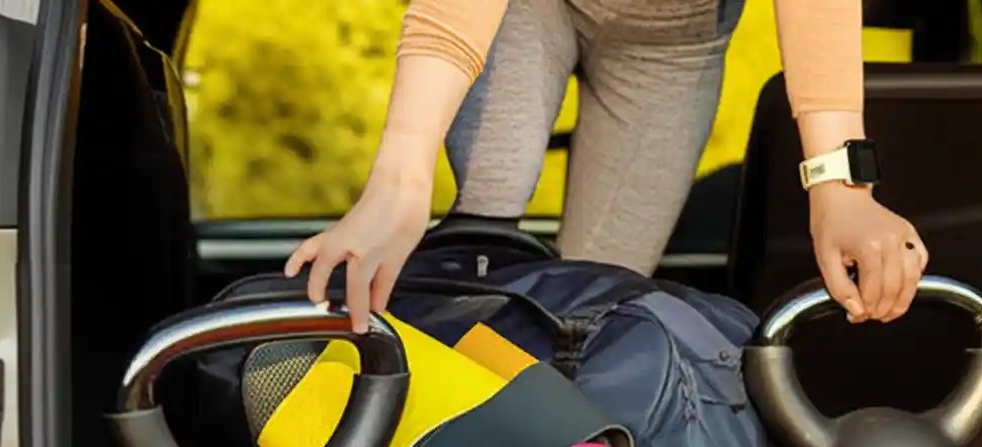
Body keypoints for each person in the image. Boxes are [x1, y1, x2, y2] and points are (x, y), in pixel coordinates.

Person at [285, 0, 928, 333]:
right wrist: (398, 179)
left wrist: (841, 186)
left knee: (595, 305)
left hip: (675, 39)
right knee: (485, 220)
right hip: (524, 10)